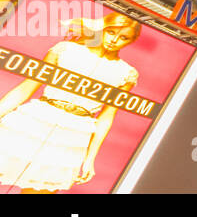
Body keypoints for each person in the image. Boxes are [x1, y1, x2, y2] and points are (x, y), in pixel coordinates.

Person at [0, 13, 142, 193]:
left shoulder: (126, 73)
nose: (114, 40)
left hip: (74, 133)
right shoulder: (66, 50)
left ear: (131, 41)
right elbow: (26, 88)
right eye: (111, 32)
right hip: (37, 119)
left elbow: (106, 117)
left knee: (39, 190)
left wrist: (90, 158)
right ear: (102, 28)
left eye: (123, 37)